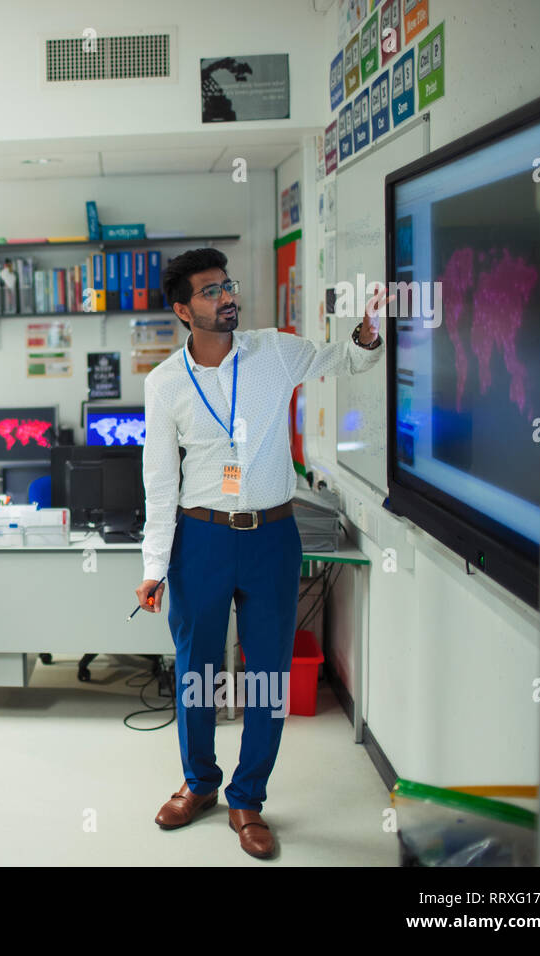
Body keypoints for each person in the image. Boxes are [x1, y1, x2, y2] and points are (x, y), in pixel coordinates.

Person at [136, 248, 384, 859]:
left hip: (273, 536)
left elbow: (345, 356)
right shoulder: (165, 382)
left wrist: (369, 331)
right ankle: (199, 785)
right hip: (200, 538)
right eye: (211, 290)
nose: (227, 297)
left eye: (228, 285)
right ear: (182, 309)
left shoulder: (273, 351)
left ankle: (248, 798)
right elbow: (160, 483)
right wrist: (153, 565)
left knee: (268, 674)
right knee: (197, 671)